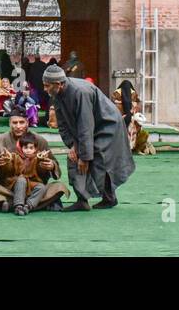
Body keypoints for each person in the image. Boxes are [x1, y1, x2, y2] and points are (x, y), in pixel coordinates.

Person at [42, 64, 135, 211]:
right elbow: (62, 124)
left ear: (58, 84)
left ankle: (108, 198)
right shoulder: (57, 94)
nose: (45, 89)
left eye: (47, 86)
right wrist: (72, 145)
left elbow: (86, 126)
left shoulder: (80, 92)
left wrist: (84, 157)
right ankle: (82, 200)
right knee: (74, 157)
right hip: (88, 128)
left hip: (107, 124)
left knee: (98, 158)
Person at [0, 111, 66, 212]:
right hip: (9, 188)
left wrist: (52, 166)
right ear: (9, 123)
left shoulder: (39, 140)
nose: (18, 126)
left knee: (59, 187)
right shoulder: (1, 141)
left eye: (21, 122)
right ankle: (39, 205)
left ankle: (10, 205)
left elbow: (54, 164)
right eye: (14, 123)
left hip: (35, 188)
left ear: (27, 123)